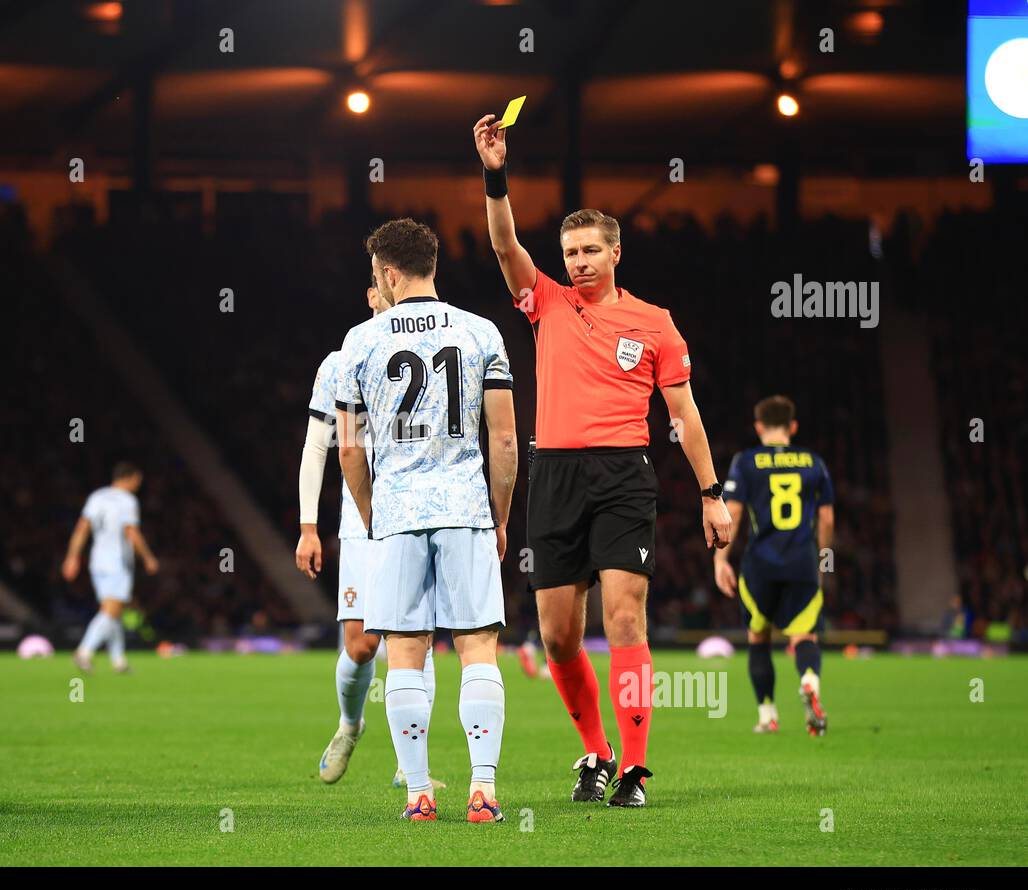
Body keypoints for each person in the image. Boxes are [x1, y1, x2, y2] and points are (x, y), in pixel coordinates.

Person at [473, 112, 732, 807]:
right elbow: (503, 245)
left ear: (616, 253)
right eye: (570, 252)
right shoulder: (546, 303)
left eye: (591, 250)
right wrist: (496, 175)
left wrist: (712, 493)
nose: (579, 261)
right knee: (558, 636)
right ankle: (595, 752)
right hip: (555, 475)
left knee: (624, 620)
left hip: (623, 476)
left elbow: (684, 416)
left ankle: (635, 770)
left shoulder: (655, 323)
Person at [335, 218, 518, 823]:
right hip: (465, 506)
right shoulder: (481, 332)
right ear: (430, 265)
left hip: (397, 513)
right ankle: (483, 790)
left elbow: (349, 448)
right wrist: (499, 516)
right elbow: (505, 440)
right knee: (478, 646)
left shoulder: (360, 342)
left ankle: (419, 795)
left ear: (388, 274)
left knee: (406, 651)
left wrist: (372, 513)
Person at [296, 276, 442, 788]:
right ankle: (350, 724)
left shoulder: (430, 353)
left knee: (417, 639)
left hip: (418, 513)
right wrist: (308, 527)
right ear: (372, 295)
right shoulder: (343, 361)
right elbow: (319, 446)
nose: (392, 295)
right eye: (383, 288)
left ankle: (412, 766)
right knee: (361, 645)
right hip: (362, 520)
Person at [713, 395, 835, 735]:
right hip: (802, 562)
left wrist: (721, 558)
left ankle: (767, 716)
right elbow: (826, 518)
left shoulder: (746, 462)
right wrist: (823, 559)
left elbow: (733, 512)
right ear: (792, 427)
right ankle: (809, 679)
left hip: (760, 564)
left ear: (758, 427)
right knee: (805, 635)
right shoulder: (813, 462)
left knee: (758, 636)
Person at [62, 461, 159, 673]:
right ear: (131, 478)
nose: (138, 485)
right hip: (118, 562)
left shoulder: (97, 497)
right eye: (138, 481)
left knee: (112, 610)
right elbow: (131, 532)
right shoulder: (127, 500)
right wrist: (148, 558)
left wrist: (72, 557)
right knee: (111, 610)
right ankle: (84, 651)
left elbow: (81, 528)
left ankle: (118, 660)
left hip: (97, 561)